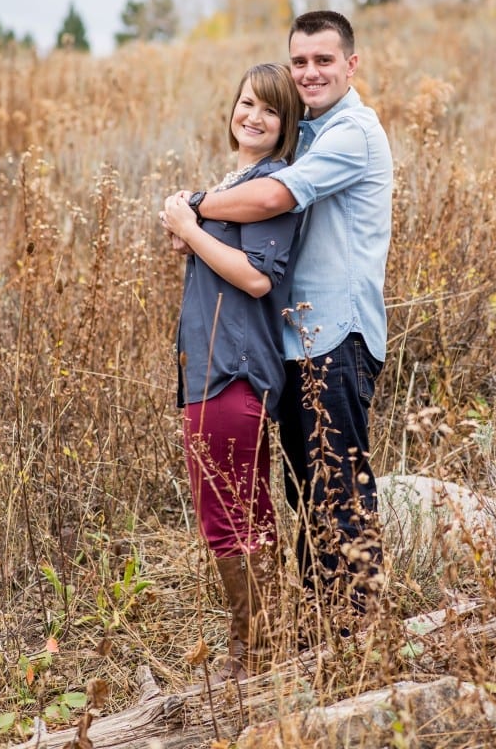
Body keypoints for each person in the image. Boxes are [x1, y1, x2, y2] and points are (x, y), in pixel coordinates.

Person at [165, 11, 393, 638]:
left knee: (337, 491)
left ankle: (356, 639)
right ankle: (318, 636)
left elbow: (271, 200)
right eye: (300, 61)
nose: (310, 72)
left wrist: (191, 212)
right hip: (294, 344)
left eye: (325, 60)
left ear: (352, 64)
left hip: (336, 338)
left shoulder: (353, 133)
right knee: (306, 495)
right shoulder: (307, 135)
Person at [160, 62, 302, 680]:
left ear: (286, 125)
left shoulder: (272, 184)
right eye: (247, 103)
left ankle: (251, 657)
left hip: (232, 371)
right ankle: (266, 647)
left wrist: (191, 227)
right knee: (248, 513)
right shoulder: (237, 183)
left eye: (270, 110)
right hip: (211, 368)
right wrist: (192, 227)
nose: (254, 116)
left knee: (227, 520)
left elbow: (256, 276)